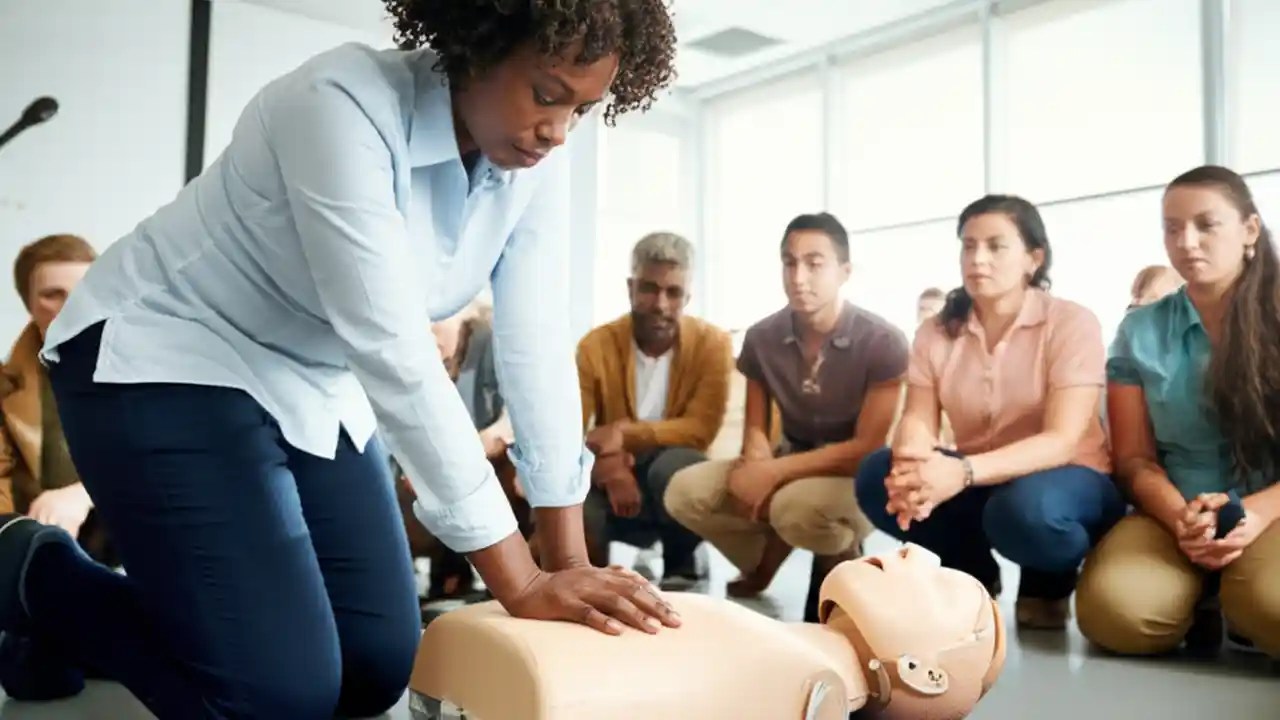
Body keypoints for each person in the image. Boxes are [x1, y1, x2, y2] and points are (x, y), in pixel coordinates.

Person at [0, 3, 681, 718]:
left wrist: (567, 562)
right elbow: (393, 350)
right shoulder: (338, 104)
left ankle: (88, 628)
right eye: (546, 94)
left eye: (582, 107)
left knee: (374, 667)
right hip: (165, 355)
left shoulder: (533, 159)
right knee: (276, 700)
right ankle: (34, 573)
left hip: (309, 377)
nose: (558, 130)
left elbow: (537, 341)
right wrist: (520, 581)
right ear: (476, 47)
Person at [855, 195, 1125, 630]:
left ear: (1033, 259)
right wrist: (911, 470)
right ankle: (971, 576)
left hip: (1071, 477)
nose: (978, 258)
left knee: (1023, 510)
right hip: (982, 475)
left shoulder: (1072, 323)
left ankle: (1050, 580)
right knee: (877, 476)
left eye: (996, 246)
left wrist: (959, 473)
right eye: (968, 245)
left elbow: (1062, 440)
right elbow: (918, 417)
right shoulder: (937, 330)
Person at [1075, 166, 1280, 658]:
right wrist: (1180, 519)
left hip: (1272, 506)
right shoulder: (1139, 332)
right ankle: (1208, 591)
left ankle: (1233, 592)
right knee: (1115, 614)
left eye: (1206, 225)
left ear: (1249, 231)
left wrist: (1254, 512)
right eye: (1172, 227)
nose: (1186, 242)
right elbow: (1134, 460)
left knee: (1269, 604)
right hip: (1175, 507)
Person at [666, 213, 906, 622]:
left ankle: (840, 558)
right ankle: (764, 560)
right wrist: (754, 463)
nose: (798, 276)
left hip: (856, 476)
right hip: (790, 455)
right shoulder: (762, 337)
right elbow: (756, 426)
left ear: (844, 272)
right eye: (789, 262)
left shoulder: (883, 341)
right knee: (684, 491)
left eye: (814, 263)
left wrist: (775, 472)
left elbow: (866, 450)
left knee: (794, 508)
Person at [576, 232, 732, 590]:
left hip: (670, 470)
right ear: (630, 288)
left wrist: (625, 434)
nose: (660, 303)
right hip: (614, 470)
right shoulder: (595, 345)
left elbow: (700, 430)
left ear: (687, 297)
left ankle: (683, 562)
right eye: (648, 288)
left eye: (673, 292)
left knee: (676, 465)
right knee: (576, 497)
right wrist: (608, 467)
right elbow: (571, 429)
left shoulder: (713, 344)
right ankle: (594, 581)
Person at [393, 298, 529, 605]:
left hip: (496, 465)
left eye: (433, 320)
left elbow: (521, 415)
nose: (427, 333)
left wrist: (476, 446)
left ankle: (511, 582)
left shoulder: (495, 338)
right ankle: (443, 583)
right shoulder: (412, 354)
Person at [0, 234, 112, 565]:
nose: (72, 306)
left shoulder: (148, 373)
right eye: (53, 294)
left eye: (83, 292)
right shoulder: (6, 388)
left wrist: (83, 493)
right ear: (29, 304)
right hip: (39, 559)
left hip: (138, 557)